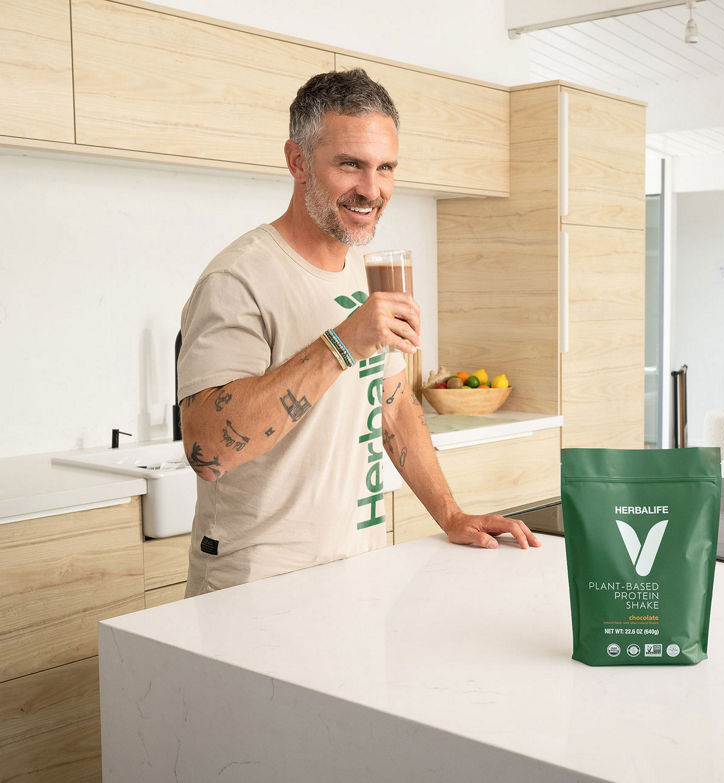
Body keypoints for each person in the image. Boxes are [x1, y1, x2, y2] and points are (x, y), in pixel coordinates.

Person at [177, 68, 538, 596]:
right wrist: (343, 343)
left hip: (356, 571)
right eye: (350, 164)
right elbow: (207, 450)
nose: (372, 190)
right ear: (298, 161)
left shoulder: (367, 272)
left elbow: (393, 404)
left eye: (385, 167)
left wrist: (450, 514)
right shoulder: (238, 279)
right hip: (256, 582)